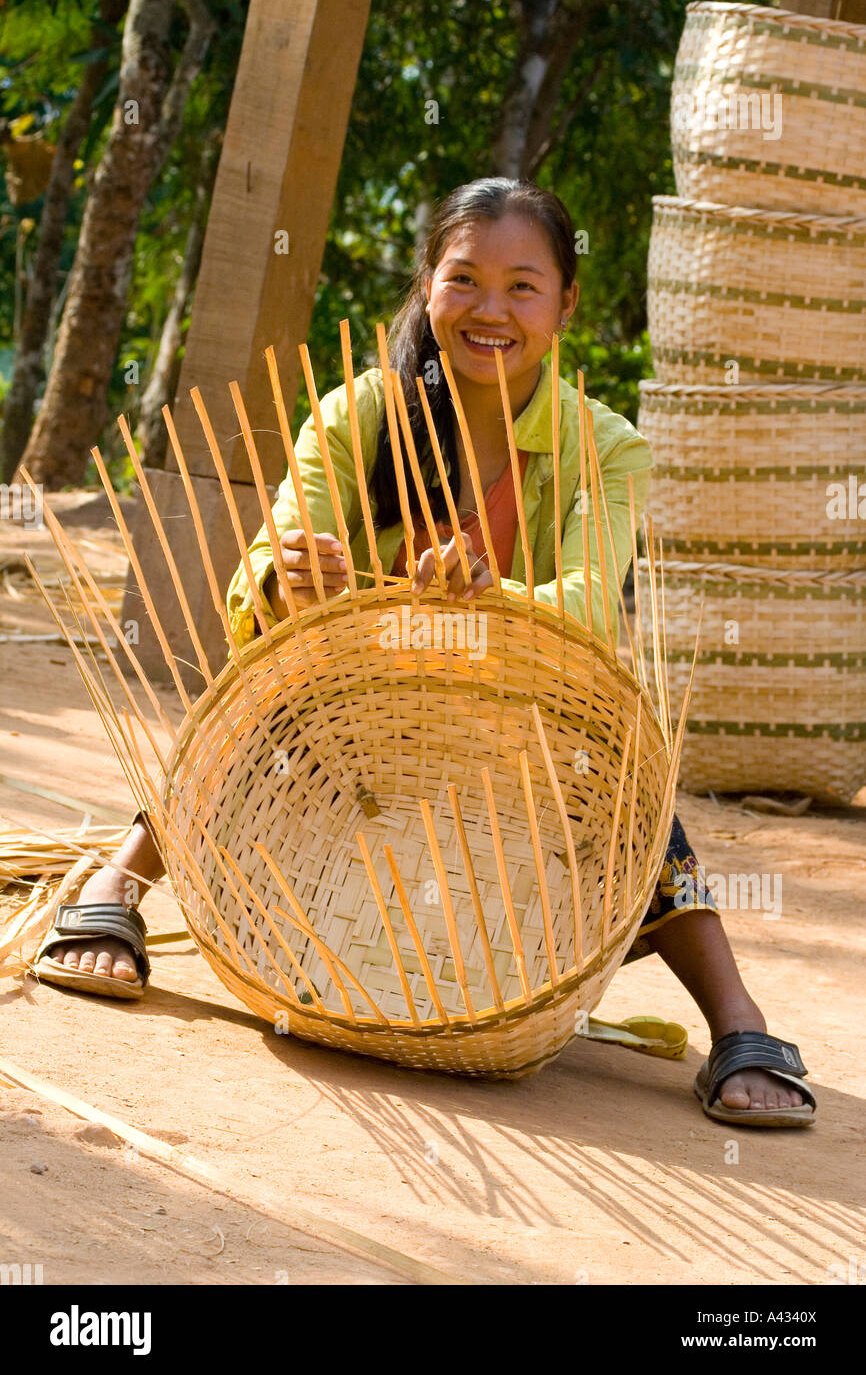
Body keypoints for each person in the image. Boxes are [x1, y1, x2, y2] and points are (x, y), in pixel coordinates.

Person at [34, 178, 814, 1126]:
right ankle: (120, 882)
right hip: (349, 722)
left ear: (566, 304)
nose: (492, 311)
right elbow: (257, 587)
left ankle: (737, 1019)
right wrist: (295, 583)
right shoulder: (363, 416)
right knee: (267, 685)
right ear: (428, 286)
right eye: (465, 281)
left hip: (524, 729)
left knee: (627, 775)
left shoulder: (601, 448)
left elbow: (590, 607)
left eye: (523, 286)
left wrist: (497, 606)